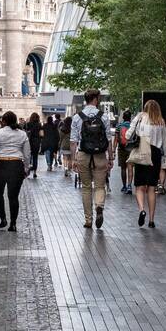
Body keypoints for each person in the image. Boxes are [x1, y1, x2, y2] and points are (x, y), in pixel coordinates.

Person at [70, 90, 115, 230]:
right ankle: (99, 207)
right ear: (96, 99)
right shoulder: (104, 117)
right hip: (100, 155)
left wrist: (73, 159)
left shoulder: (77, 117)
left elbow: (73, 141)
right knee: (100, 186)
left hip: (83, 155)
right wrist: (111, 157)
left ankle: (88, 220)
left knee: (86, 187)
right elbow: (108, 139)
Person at [128, 99, 166, 228]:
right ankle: (151, 220)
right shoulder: (160, 121)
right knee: (151, 188)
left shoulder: (140, 117)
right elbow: (165, 143)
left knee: (139, 187)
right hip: (155, 155)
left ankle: (141, 210)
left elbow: (129, 134)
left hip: (142, 152)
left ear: (145, 108)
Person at [116, 109, 133, 193]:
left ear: (123, 117)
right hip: (131, 149)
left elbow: (116, 139)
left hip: (121, 148)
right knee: (130, 167)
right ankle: (130, 186)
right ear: (130, 118)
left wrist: (113, 149)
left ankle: (124, 186)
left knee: (123, 168)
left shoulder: (119, 126)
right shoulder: (132, 126)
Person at [25, 112, 42, 177]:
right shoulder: (39, 125)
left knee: (28, 157)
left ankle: (27, 170)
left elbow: (25, 133)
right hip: (37, 142)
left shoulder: (28, 124)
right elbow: (41, 134)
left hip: (29, 142)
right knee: (35, 157)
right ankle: (34, 172)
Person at [59, 113, 73, 178]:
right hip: (71, 145)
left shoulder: (62, 129)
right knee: (70, 159)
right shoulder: (73, 128)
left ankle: (65, 169)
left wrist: (59, 144)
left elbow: (60, 138)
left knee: (65, 158)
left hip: (64, 145)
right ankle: (69, 171)